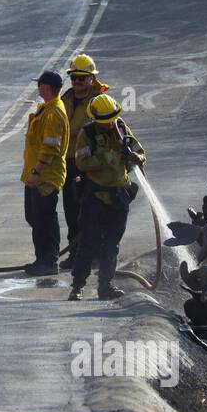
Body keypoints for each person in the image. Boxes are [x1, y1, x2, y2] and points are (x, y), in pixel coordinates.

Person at [68, 93, 146, 301]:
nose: (109, 125)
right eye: (105, 122)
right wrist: (105, 158)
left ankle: (106, 286)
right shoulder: (87, 134)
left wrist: (134, 156)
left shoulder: (121, 128)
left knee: (112, 244)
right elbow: (81, 162)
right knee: (89, 243)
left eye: (111, 120)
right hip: (95, 196)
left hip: (119, 196)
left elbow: (141, 152)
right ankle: (77, 287)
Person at [60, 54, 109, 267]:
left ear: (91, 78)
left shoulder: (100, 102)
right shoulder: (66, 98)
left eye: (82, 77)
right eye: (74, 77)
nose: (77, 82)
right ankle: (76, 254)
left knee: (92, 212)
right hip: (69, 163)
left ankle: (95, 256)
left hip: (92, 167)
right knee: (71, 211)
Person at [21, 70, 69, 276]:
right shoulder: (46, 109)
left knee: (45, 220)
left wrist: (37, 172)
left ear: (47, 87)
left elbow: (50, 147)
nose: (37, 87)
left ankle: (49, 262)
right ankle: (42, 259)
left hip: (44, 177)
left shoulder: (54, 113)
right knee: (35, 218)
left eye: (39, 84)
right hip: (35, 176)